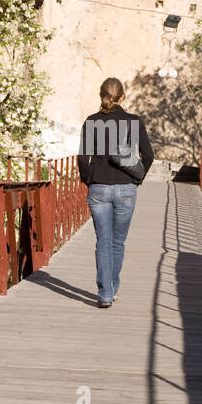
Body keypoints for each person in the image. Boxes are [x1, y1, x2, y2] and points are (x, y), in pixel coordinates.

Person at [77, 77, 154, 308]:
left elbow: (83, 158)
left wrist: (89, 180)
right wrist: (136, 178)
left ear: (101, 95)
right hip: (126, 189)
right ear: (122, 97)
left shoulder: (91, 122)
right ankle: (112, 287)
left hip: (98, 188)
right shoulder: (133, 121)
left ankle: (105, 293)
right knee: (117, 242)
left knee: (103, 241)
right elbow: (148, 156)